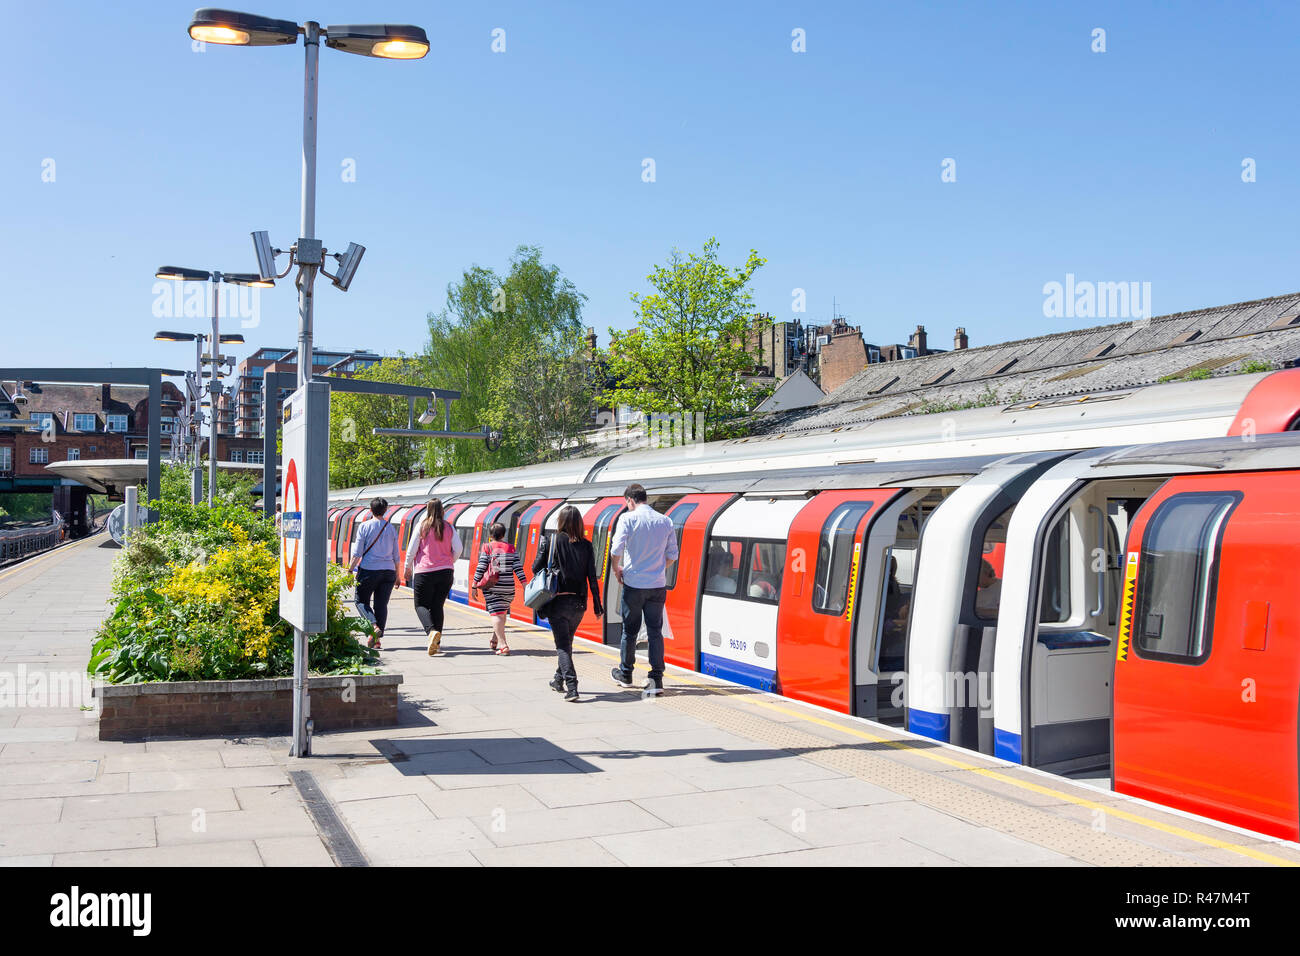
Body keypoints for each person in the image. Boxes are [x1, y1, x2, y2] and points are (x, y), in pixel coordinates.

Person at [608, 483, 678, 695]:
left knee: (629, 631)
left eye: (626, 503)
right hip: (657, 586)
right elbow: (672, 555)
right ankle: (656, 679)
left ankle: (626, 674)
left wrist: (616, 570)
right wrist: (657, 569)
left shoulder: (627, 519)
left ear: (630, 500)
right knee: (655, 632)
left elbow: (616, 549)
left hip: (634, 585)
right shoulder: (665, 521)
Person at [532, 505, 604, 701]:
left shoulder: (553, 541)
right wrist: (598, 606)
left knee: (563, 646)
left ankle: (572, 687)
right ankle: (558, 679)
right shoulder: (587, 545)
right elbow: (592, 578)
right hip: (578, 605)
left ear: (561, 522)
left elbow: (534, 568)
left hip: (558, 602)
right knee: (567, 642)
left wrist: (543, 549)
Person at [404, 498, 460, 657]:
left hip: (425, 572)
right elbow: (459, 548)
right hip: (446, 572)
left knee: (420, 605)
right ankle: (437, 645)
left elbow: (412, 549)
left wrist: (407, 568)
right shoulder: (449, 527)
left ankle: (431, 632)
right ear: (442, 510)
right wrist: (449, 561)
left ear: (427, 510)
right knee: (437, 606)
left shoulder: (421, 527)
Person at [349, 497, 399, 650]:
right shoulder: (391, 528)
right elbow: (396, 554)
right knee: (381, 605)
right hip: (389, 571)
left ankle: (373, 626)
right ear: (385, 510)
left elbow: (357, 553)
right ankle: (376, 640)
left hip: (369, 570)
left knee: (361, 601)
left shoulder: (365, 526)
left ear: (370, 510)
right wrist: (397, 574)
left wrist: (350, 569)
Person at [473, 521, 525, 655]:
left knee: (496, 615)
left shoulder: (488, 547)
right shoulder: (511, 548)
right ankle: (495, 639)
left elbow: (482, 567)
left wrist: (474, 585)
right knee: (501, 614)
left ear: (490, 535)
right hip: (509, 589)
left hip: (493, 588)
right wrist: (525, 585)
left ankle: (503, 646)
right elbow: (518, 569)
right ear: (503, 535)